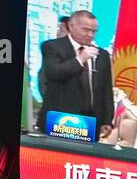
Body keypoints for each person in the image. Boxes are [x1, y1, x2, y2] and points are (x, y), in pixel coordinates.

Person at [37, 10, 114, 139]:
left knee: (83, 158)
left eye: (94, 31)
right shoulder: (52, 47)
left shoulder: (102, 55)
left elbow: (106, 90)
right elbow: (53, 73)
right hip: (59, 120)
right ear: (71, 26)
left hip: (89, 123)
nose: (90, 35)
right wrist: (80, 60)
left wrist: (107, 120)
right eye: (86, 30)